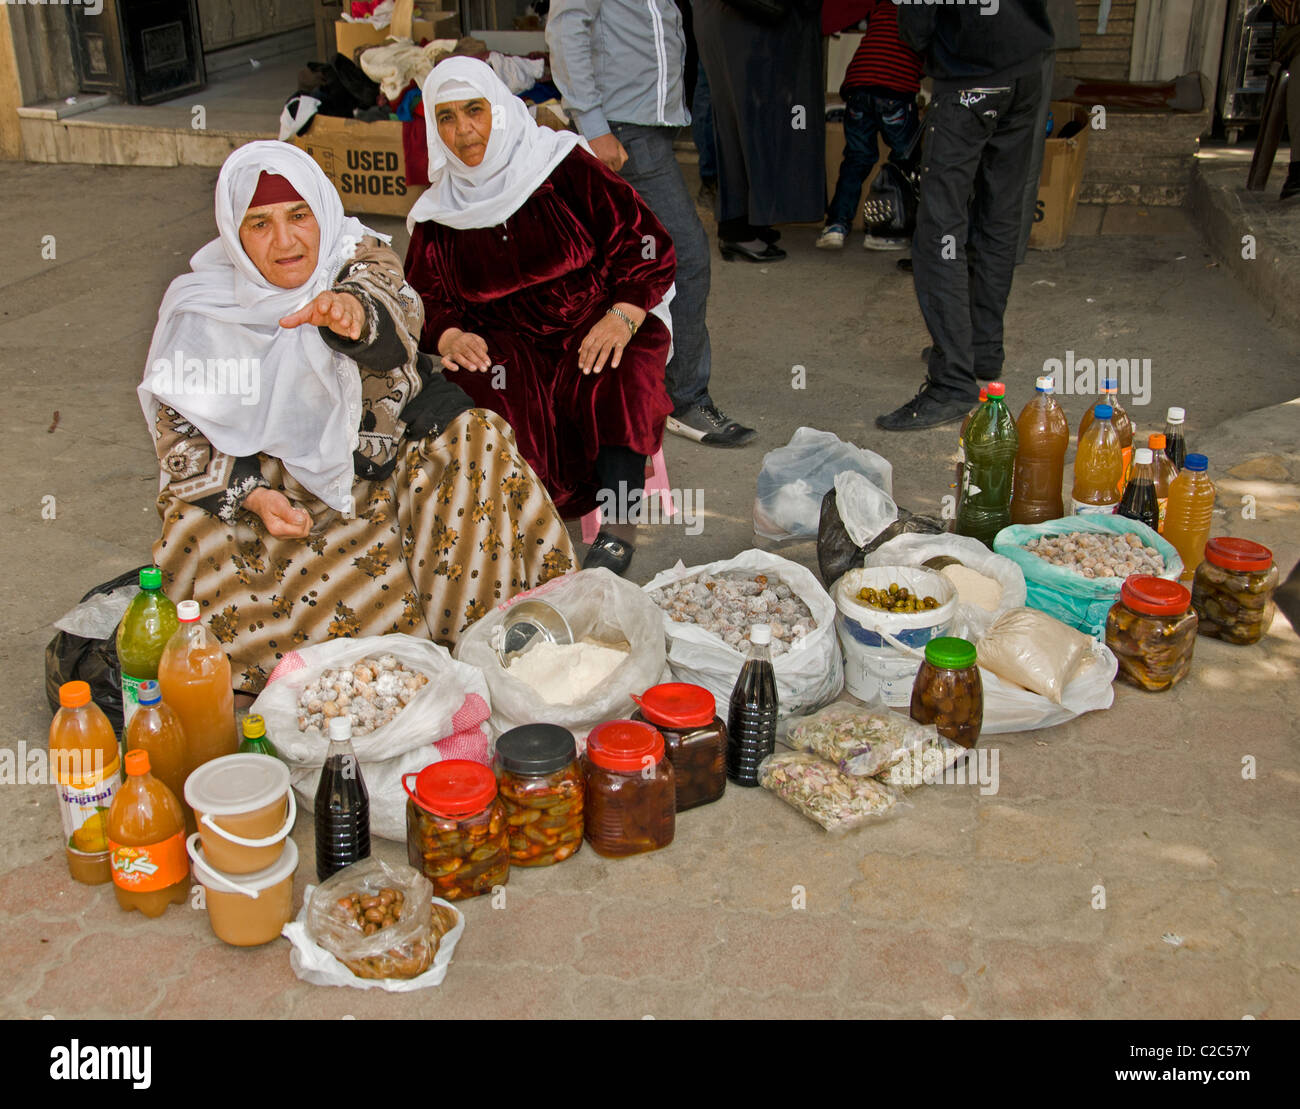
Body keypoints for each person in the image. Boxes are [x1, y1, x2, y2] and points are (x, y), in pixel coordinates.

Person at [139, 141, 575, 692]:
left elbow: (394, 316)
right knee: (193, 530)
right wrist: (254, 496)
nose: (285, 241)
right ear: (233, 233)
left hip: (385, 465)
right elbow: (180, 437)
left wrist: (349, 315)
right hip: (277, 494)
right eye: (259, 224)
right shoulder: (202, 306)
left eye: (299, 216)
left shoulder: (359, 257)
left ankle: (472, 640)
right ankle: (359, 673)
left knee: (476, 440)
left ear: (321, 211)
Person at [403, 57, 678, 575]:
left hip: (593, 317)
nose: (464, 131)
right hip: (507, 342)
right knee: (484, 386)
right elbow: (422, 298)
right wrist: (449, 333)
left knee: (618, 371)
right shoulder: (439, 212)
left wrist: (623, 313)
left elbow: (645, 243)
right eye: (446, 118)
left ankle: (618, 526)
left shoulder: (561, 165)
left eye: (474, 111)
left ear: (499, 112)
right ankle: (528, 528)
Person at [546, 0, 756, 447]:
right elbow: (566, 29)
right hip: (623, 129)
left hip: (645, 125)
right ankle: (684, 398)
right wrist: (593, 123)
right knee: (686, 256)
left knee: (621, 258)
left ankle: (623, 386)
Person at [877, 2, 1055, 431]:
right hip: (1027, 71)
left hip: (969, 80)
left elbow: (915, 22)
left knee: (941, 231)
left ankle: (953, 380)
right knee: (1000, 216)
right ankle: (981, 350)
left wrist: (927, 42)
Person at [692, 0, 826, 262]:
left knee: (742, 123)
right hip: (743, 22)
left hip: (731, 19)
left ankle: (748, 220)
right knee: (747, 125)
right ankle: (737, 228)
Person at [818, 0, 923, 252]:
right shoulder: (923, 12)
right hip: (894, 90)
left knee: (856, 159)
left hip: (859, 87)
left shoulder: (882, 6)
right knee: (905, 161)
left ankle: (836, 226)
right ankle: (887, 227)